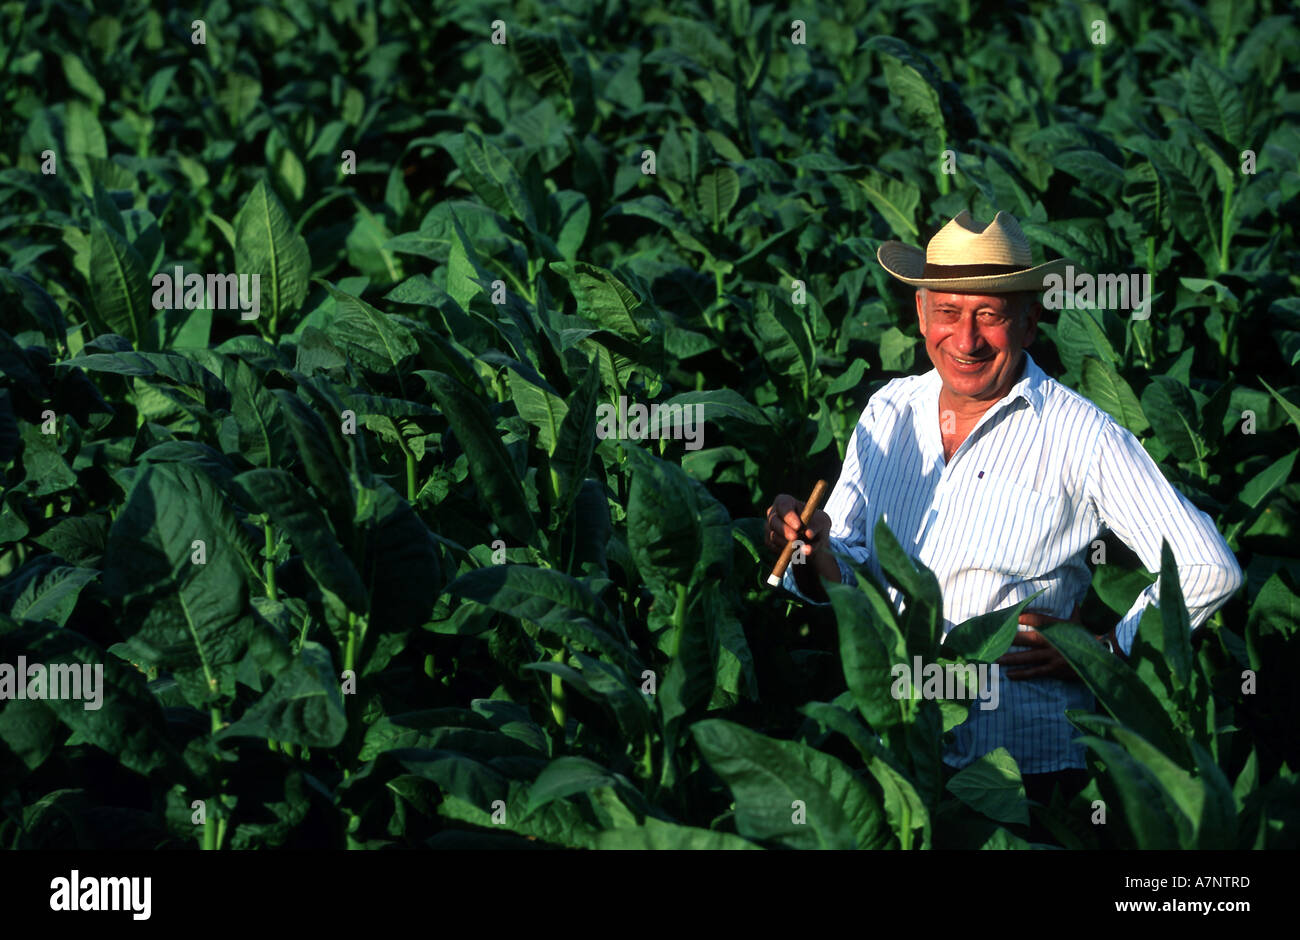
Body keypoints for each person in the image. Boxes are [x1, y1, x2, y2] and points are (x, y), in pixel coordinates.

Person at [765, 209, 1243, 826]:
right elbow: (850, 570)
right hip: (906, 751)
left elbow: (1210, 568)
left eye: (989, 315)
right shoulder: (889, 412)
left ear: (1030, 319)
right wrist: (811, 545)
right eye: (948, 313)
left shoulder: (1080, 434)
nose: (965, 340)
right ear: (920, 314)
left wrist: (1105, 650)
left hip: (1027, 769)